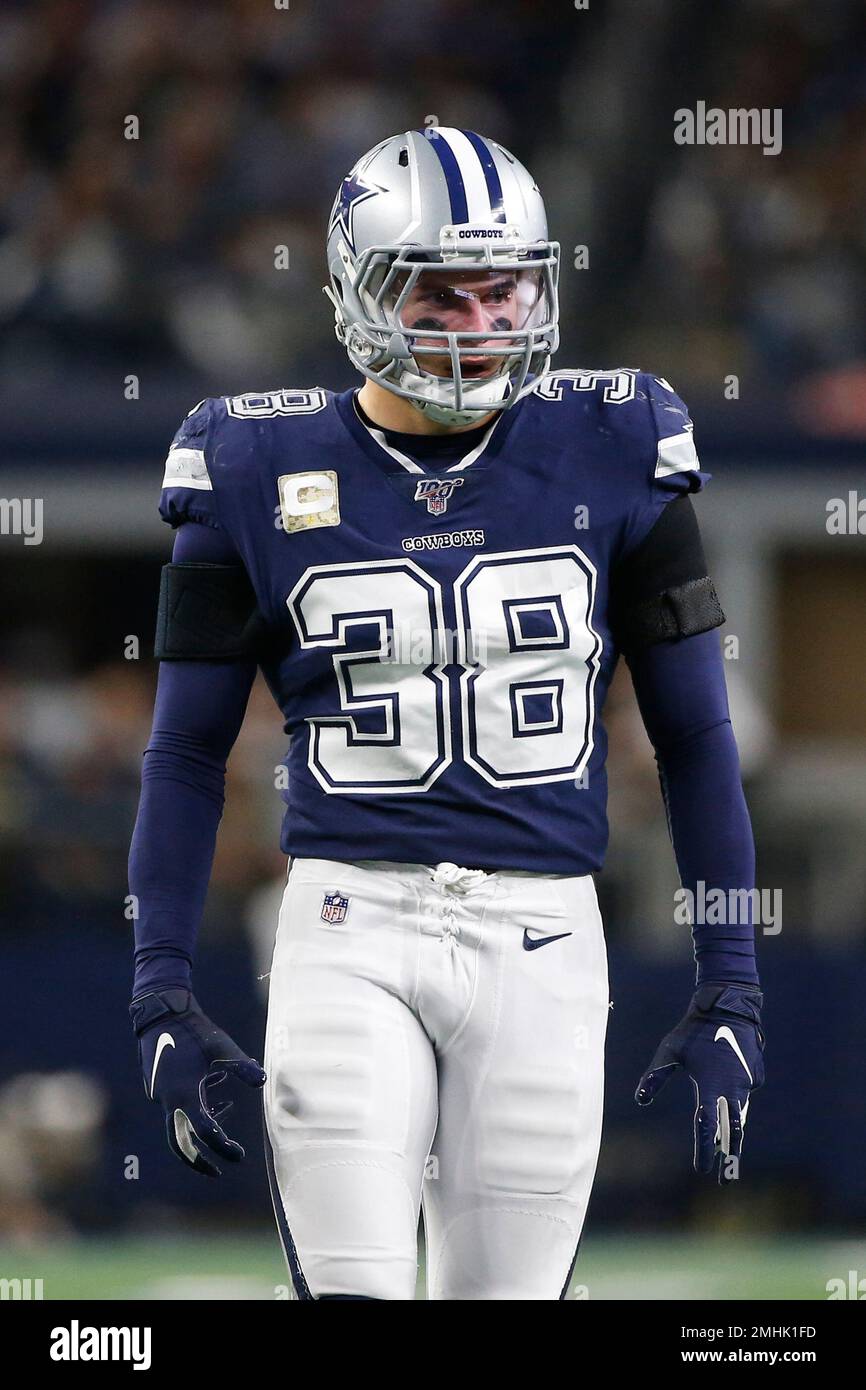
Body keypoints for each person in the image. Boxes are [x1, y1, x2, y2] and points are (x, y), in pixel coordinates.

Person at [129, 127, 764, 1301]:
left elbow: (694, 736)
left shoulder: (617, 436)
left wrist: (731, 974)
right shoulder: (251, 461)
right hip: (346, 918)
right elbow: (182, 754)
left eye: (502, 288)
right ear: (359, 290)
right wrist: (159, 981)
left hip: (544, 935)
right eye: (439, 292)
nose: (479, 324)